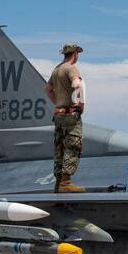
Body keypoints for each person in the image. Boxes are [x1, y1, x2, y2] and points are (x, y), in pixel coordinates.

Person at [45, 43, 85, 193]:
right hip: (70, 114)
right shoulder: (70, 68)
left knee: (59, 148)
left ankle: (58, 185)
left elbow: (47, 89)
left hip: (59, 114)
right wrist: (79, 103)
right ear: (75, 53)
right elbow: (76, 84)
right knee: (73, 145)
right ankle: (66, 183)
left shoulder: (57, 70)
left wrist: (58, 102)